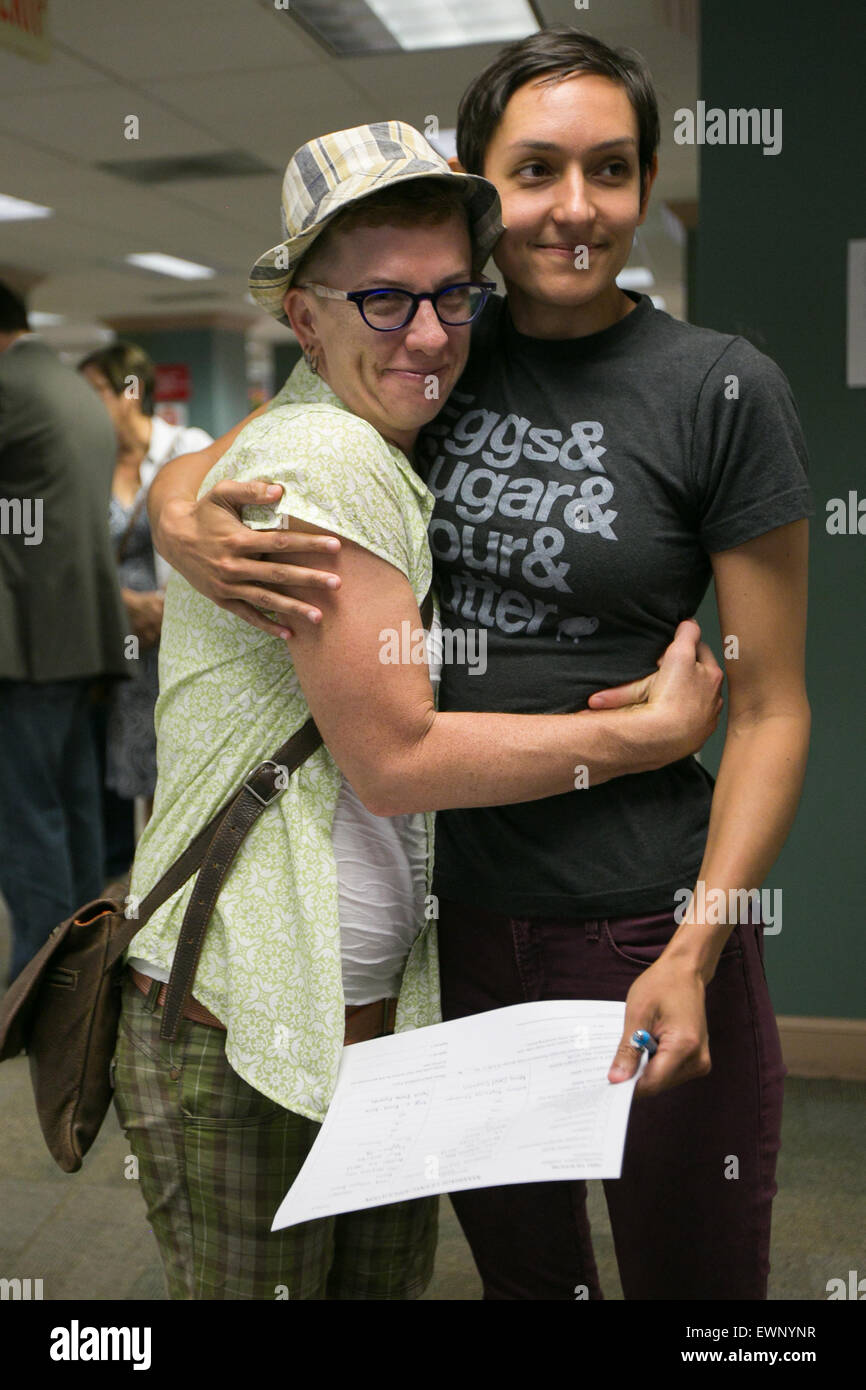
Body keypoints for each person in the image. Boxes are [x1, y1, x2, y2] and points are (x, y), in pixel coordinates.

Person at [150, 31, 812, 1302]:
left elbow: (775, 707)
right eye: (538, 170)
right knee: (524, 1273)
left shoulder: (717, 390)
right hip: (458, 926)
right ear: (479, 186)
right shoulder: (429, 342)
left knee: (700, 1279)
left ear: (645, 181)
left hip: (647, 914)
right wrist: (181, 514)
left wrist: (697, 944)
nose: (576, 209)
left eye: (611, 170)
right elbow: (239, 452)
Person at [0, 282, 128, 983]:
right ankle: (84, 962)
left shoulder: (10, 386)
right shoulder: (74, 386)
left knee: (26, 814)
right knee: (75, 804)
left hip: (27, 641)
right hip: (80, 632)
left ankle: (38, 979)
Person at [77, 342, 212, 858]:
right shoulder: (89, 462)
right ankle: (117, 904)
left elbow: (210, 534)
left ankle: (166, 894)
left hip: (177, 634)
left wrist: (166, 605)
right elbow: (74, 552)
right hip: (115, 639)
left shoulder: (186, 448)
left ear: (130, 392)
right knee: (122, 771)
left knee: (175, 772)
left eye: (96, 392)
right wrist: (124, 603)